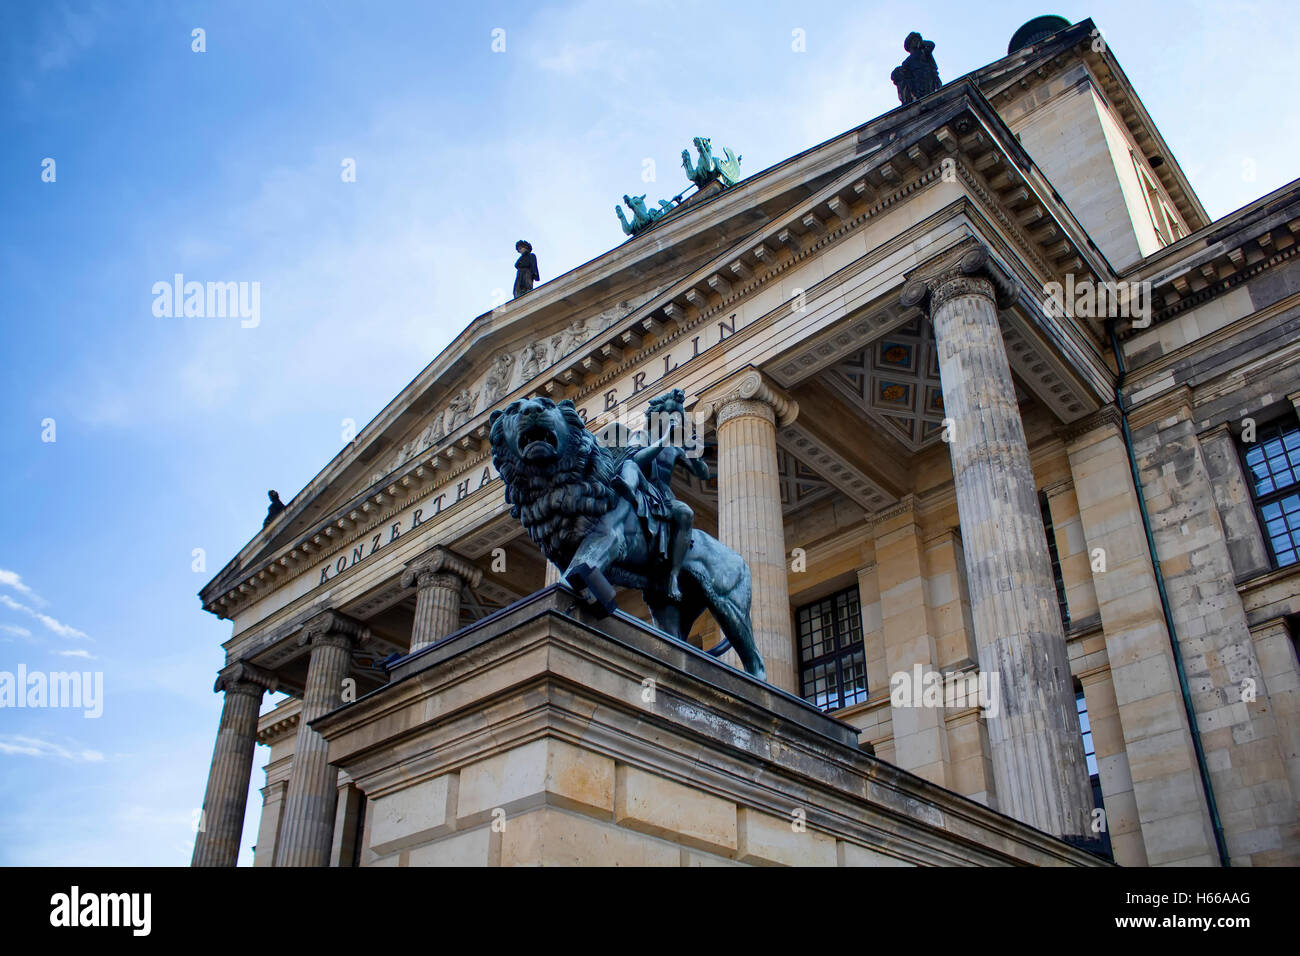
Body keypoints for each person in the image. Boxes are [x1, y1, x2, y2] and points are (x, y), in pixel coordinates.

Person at [611, 390, 710, 601]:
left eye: (677, 418)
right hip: (640, 487)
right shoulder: (640, 437)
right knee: (629, 466)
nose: (674, 421)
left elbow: (703, 473)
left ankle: (673, 574)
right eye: (670, 416)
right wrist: (664, 439)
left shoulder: (676, 449)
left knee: (685, 513)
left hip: (663, 498)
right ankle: (626, 489)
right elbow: (637, 459)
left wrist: (693, 447)